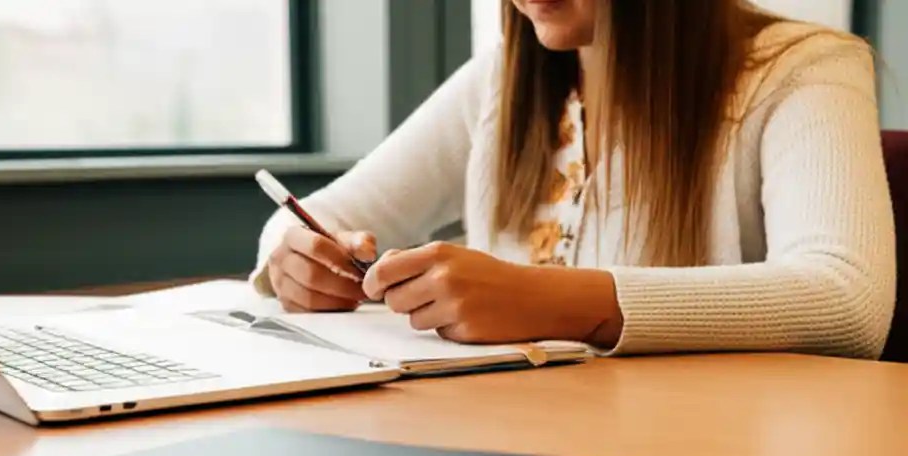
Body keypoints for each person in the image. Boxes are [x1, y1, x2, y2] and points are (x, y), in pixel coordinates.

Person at [250, 0, 896, 358]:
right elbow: (317, 215)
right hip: (521, 445)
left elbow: (845, 299)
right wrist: (297, 257)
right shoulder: (504, 75)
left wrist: (551, 300)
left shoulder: (804, 70)